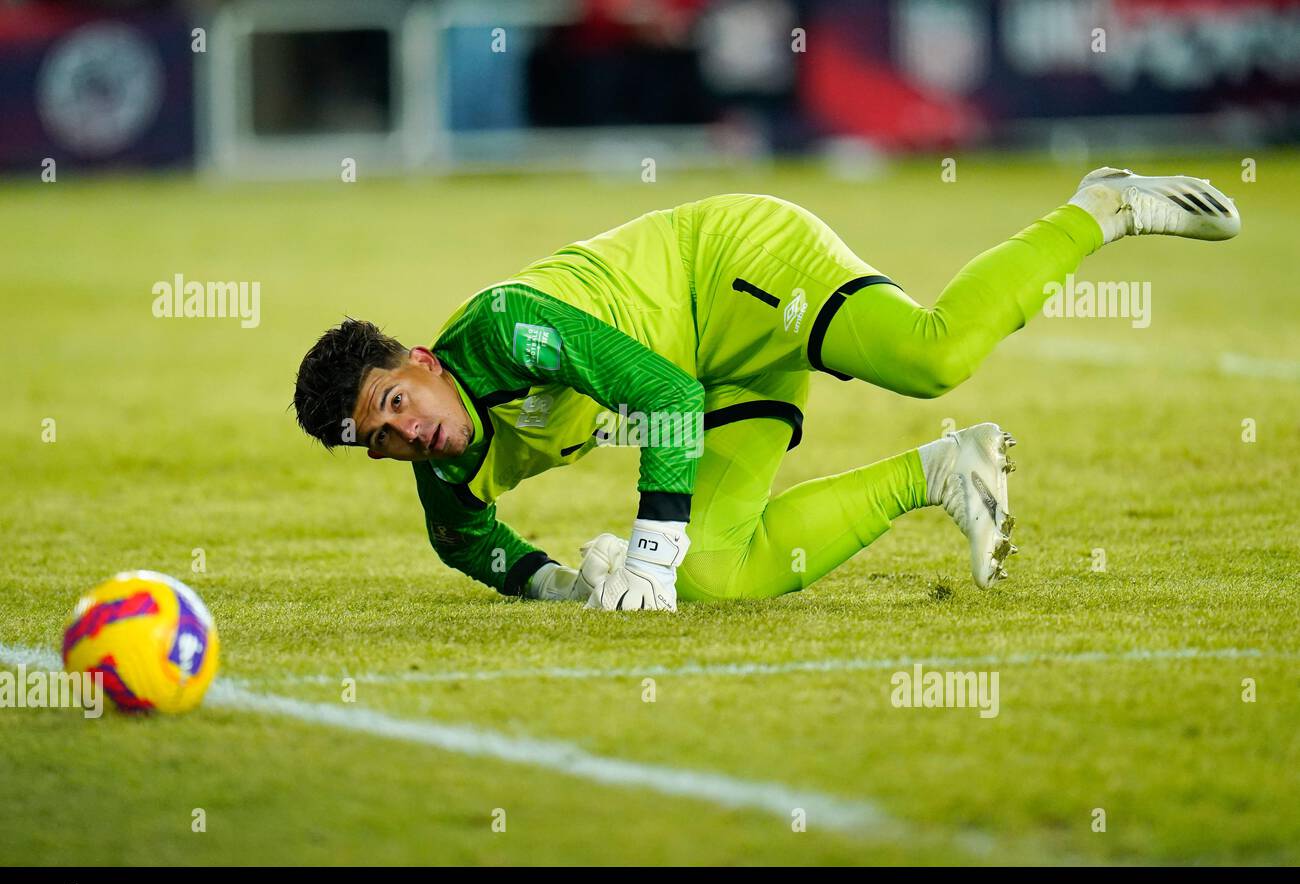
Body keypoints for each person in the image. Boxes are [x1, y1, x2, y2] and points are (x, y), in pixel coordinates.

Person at [292, 168, 1240, 611]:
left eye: (394, 402)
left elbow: (660, 393)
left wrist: (650, 556)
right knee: (722, 576)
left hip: (735, 270)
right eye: (377, 439)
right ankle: (941, 471)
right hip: (709, 373)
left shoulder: (503, 327)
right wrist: (564, 585)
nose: (404, 435)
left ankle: (1098, 207)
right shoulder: (445, 486)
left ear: (420, 359)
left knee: (930, 358)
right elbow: (471, 549)